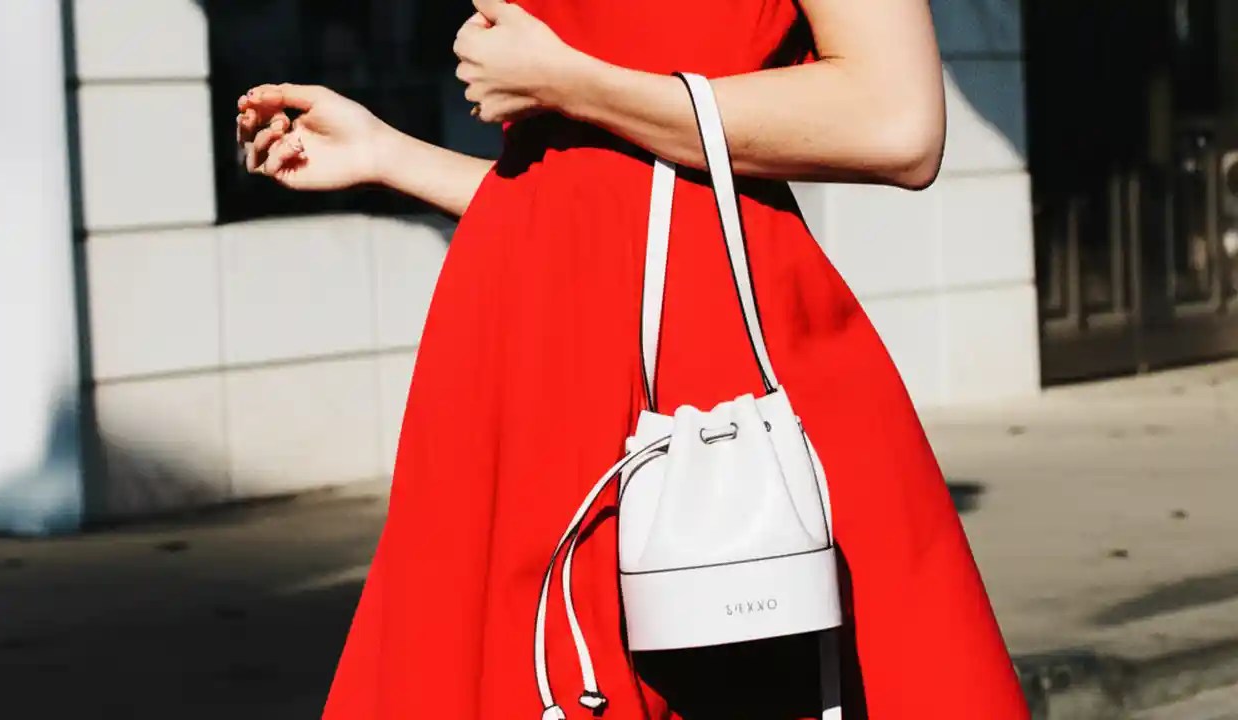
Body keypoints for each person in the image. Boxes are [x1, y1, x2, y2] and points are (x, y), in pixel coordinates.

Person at [236, 0, 1030, 717]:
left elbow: (898, 121)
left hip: (701, 362)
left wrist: (573, 83)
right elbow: (584, 196)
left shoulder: (569, 81)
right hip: (520, 368)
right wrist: (388, 154)